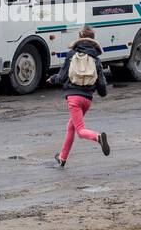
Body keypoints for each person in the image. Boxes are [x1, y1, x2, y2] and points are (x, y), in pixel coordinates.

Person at [47, 26, 110, 167]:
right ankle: (62, 157)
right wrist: (102, 92)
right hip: (86, 100)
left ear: (80, 38)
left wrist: (52, 79)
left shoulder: (71, 55)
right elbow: (102, 86)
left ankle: (98, 137)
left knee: (80, 131)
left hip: (73, 98)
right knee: (71, 127)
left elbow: (62, 77)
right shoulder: (96, 59)